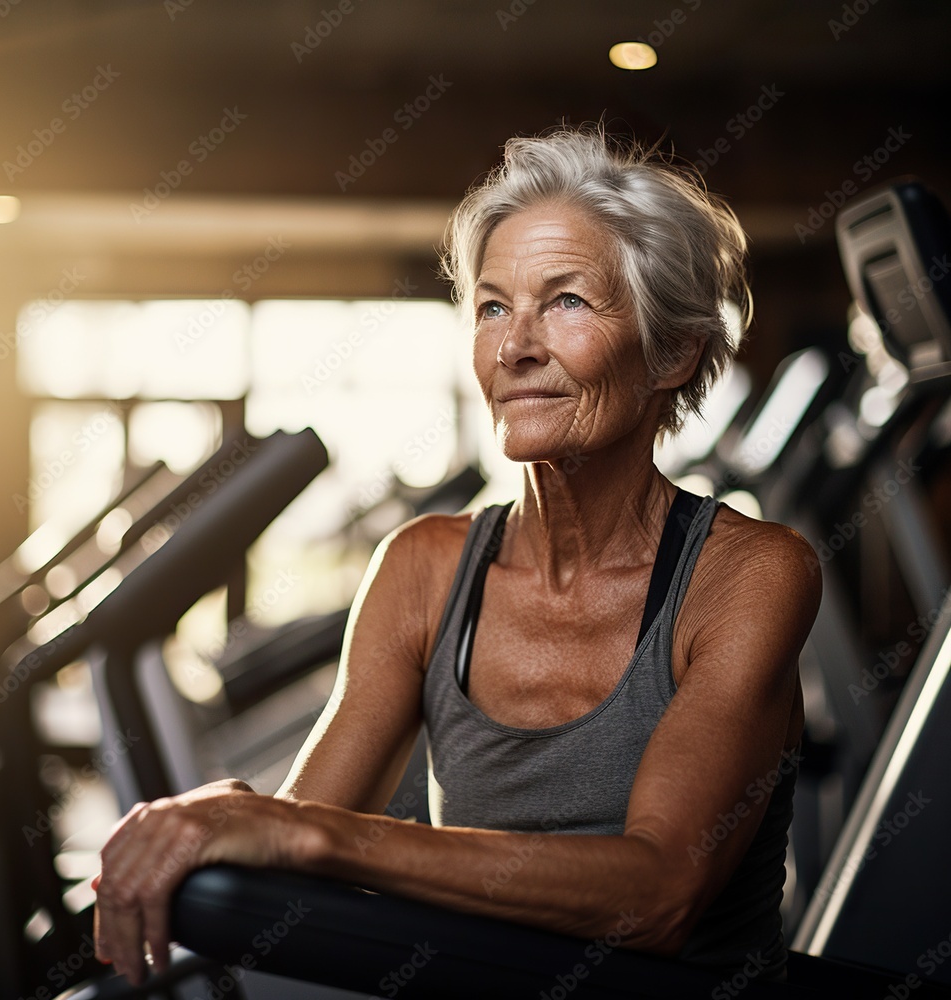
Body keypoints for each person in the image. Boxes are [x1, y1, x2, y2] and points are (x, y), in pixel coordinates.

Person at [93, 127, 821, 987]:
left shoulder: (749, 575)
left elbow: (658, 895)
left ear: (673, 352)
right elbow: (292, 838)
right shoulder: (424, 569)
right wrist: (220, 820)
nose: (514, 347)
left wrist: (310, 835)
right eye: (492, 306)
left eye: (567, 302)